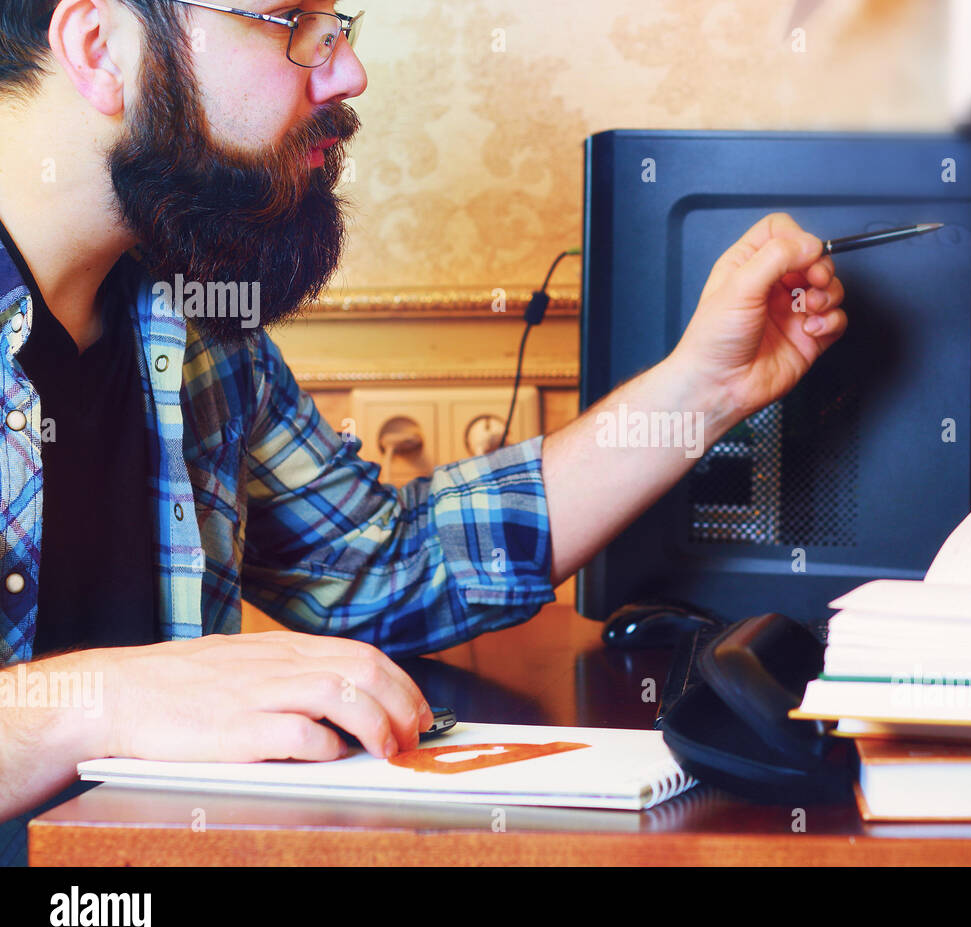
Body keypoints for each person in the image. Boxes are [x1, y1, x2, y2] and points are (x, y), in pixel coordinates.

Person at [0, 0, 846, 863]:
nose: (346, 71)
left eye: (336, 25)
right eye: (291, 20)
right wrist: (99, 700)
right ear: (99, 48)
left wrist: (706, 387)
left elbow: (381, 567)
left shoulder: (191, 319)